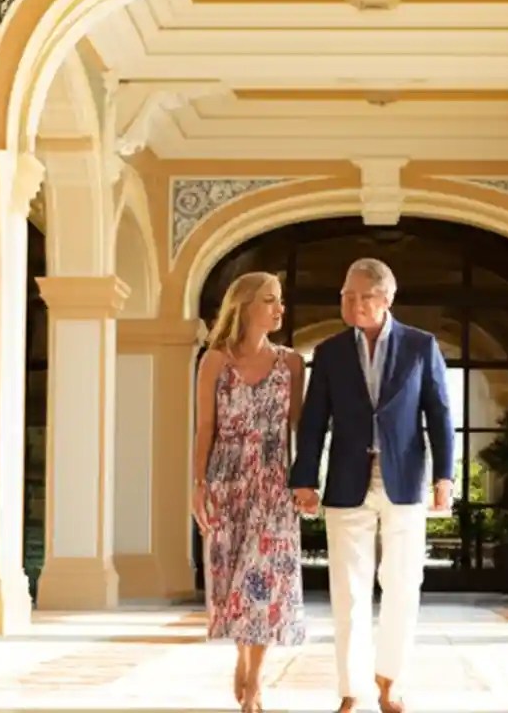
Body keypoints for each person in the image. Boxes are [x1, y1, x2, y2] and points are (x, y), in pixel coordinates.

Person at [289, 258, 455, 713]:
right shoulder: (329, 352)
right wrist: (303, 478)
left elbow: (440, 413)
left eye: (363, 296)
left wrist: (445, 476)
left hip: (404, 481)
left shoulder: (422, 347)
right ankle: (351, 688)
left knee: (404, 583)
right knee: (348, 588)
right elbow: (313, 423)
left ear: (386, 299)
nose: (352, 303)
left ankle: (391, 681)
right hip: (346, 481)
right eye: (346, 295)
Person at [192, 271, 306, 713]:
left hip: (274, 484)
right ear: (244, 307)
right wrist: (198, 485)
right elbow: (206, 427)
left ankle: (256, 680)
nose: (280, 308)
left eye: (280, 300)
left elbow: (299, 429)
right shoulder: (215, 361)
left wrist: (305, 483)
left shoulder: (292, 364)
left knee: (266, 581)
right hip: (226, 480)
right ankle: (242, 657)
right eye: (270, 300)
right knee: (232, 583)